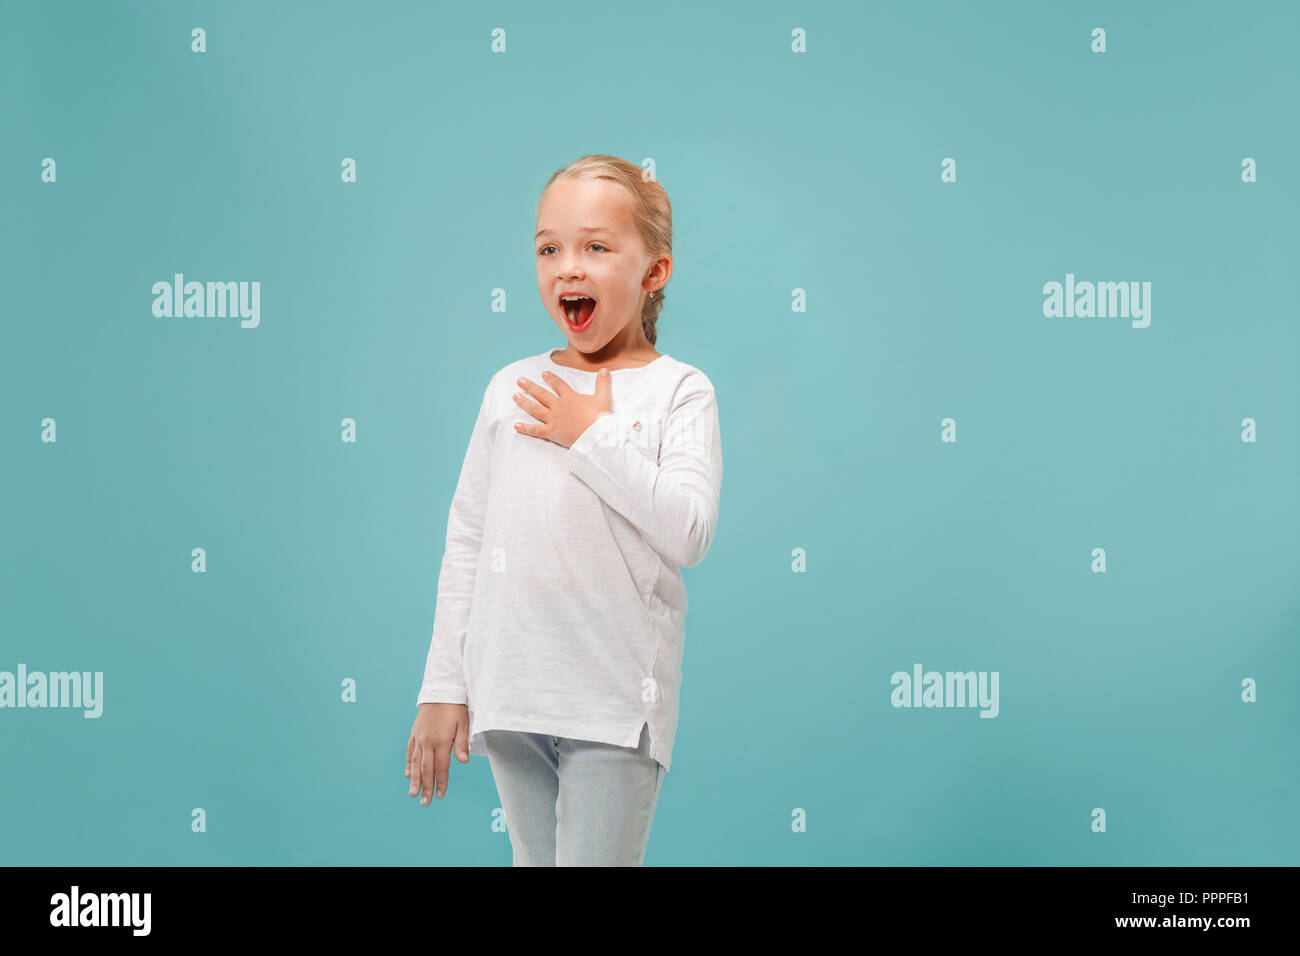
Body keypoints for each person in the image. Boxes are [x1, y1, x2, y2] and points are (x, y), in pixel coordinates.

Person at [405, 154, 723, 865]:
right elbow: (468, 539)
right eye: (550, 248)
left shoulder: (680, 391)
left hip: (612, 698)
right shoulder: (510, 386)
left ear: (654, 272)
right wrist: (444, 685)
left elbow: (691, 530)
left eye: (597, 248)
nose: (567, 268)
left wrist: (593, 434)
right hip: (512, 687)